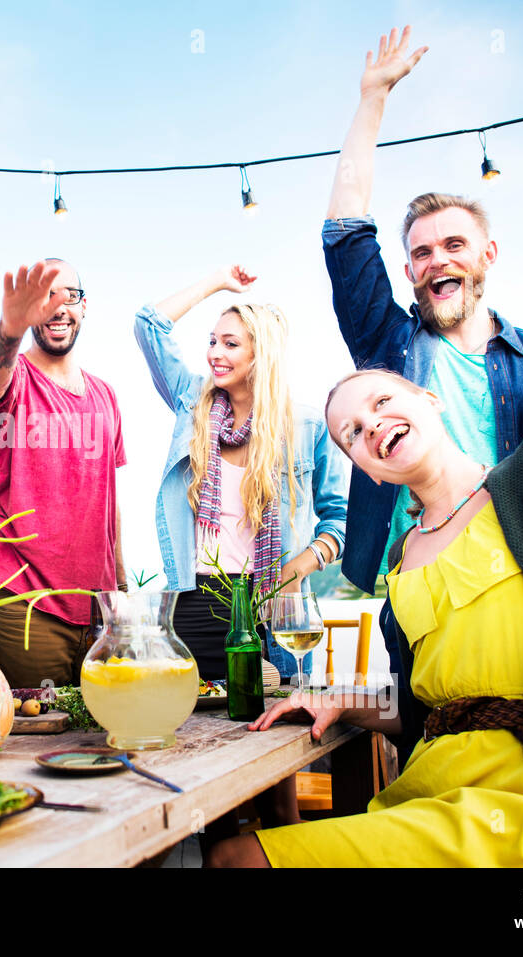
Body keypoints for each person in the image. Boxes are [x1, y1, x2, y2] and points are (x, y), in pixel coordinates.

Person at [207, 206, 523, 869]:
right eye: (352, 432)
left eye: (382, 401)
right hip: (430, 791)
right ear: (362, 466)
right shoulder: (401, 569)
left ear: (429, 400)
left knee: (239, 859)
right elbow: (427, 710)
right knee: (235, 853)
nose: (370, 425)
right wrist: (341, 702)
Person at [322, 26, 523, 713]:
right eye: (420, 252)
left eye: (454, 244)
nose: (436, 259)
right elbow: (346, 233)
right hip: (421, 588)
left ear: (488, 255)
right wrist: (372, 100)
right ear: (409, 270)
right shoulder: (389, 354)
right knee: (424, 733)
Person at [134, 264, 347, 848]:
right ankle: (223, 856)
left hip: (273, 607)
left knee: (276, 764)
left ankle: (275, 852)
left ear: (262, 354)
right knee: (208, 759)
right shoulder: (192, 405)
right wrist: (217, 285)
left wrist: (298, 567)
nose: (215, 354)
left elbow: (338, 521)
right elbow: (148, 325)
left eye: (231, 343)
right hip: (199, 601)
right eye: (212, 341)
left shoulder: (306, 427)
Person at [0, 261, 127, 688]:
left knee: (100, 737)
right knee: (32, 739)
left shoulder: (105, 395)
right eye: (47, 296)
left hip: (98, 612)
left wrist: (121, 594)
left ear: (85, 306)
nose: (59, 307)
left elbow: (109, 507)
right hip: (25, 604)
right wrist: (10, 328)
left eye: (69, 295)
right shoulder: (14, 376)